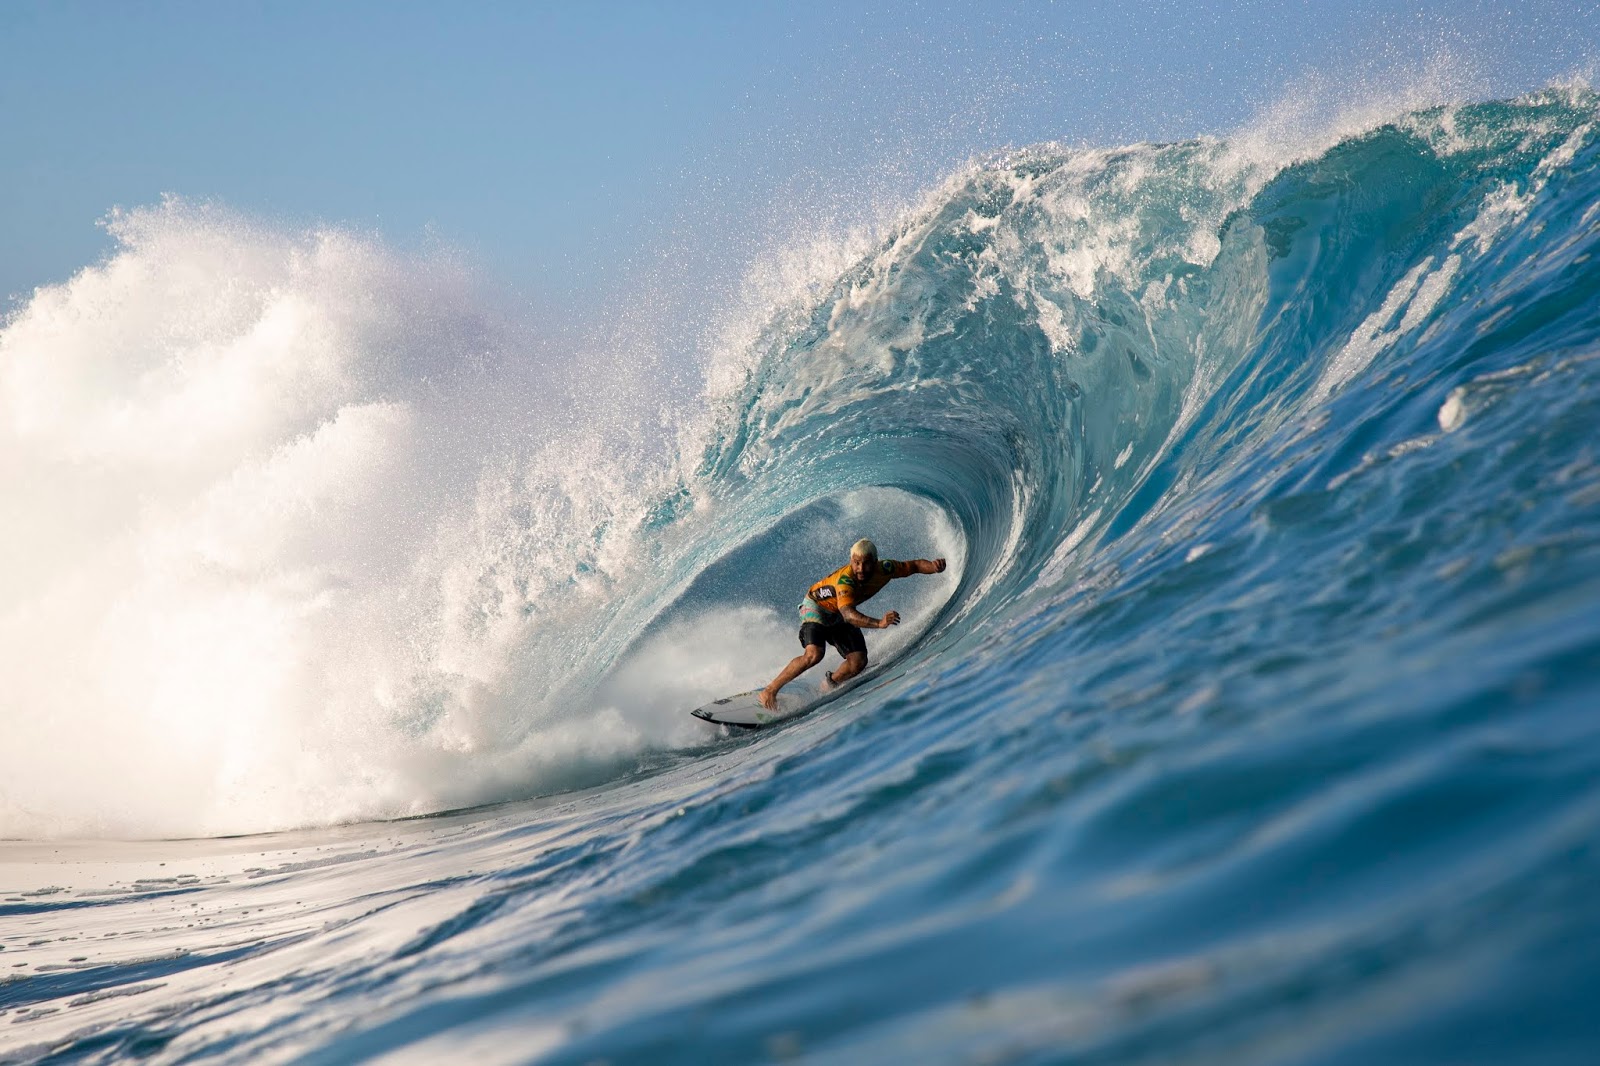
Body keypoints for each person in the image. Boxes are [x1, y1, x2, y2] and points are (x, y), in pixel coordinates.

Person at [759, 538, 947, 710]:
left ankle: (828, 684)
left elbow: (912, 566)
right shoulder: (845, 581)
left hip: (839, 613)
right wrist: (879, 623)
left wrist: (932, 566)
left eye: (865, 564)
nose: (860, 569)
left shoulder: (886, 568)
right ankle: (770, 690)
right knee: (814, 654)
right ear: (851, 562)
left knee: (858, 662)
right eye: (856, 563)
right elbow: (849, 615)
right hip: (816, 607)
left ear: (875, 562)